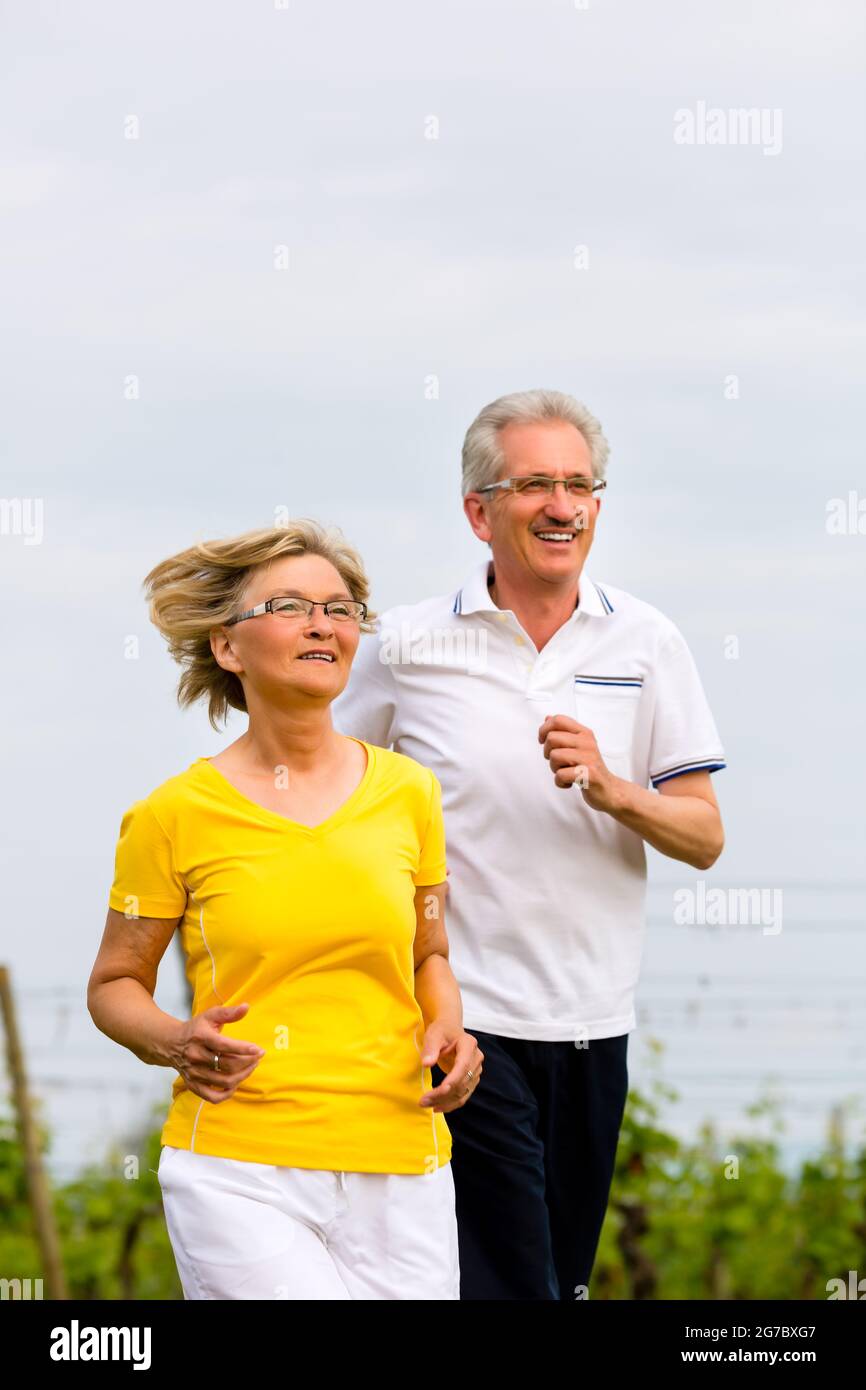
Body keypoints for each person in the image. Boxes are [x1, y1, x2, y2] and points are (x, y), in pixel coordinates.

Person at [331, 387, 727, 1300]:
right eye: (535, 484)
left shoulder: (648, 641)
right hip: (462, 1021)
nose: (563, 506)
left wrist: (614, 789)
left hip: (594, 1023)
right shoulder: (406, 645)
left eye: (581, 485)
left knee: (560, 1276)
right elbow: (331, 790)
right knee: (512, 1283)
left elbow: (704, 838)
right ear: (479, 510)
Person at [88, 520, 483, 1300]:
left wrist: (451, 1026)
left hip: (403, 1159)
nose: (322, 625)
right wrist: (175, 1040)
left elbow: (428, 953)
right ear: (228, 649)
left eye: (340, 609)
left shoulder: (411, 793)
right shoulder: (172, 814)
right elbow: (113, 985)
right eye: (291, 606)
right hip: (240, 1166)